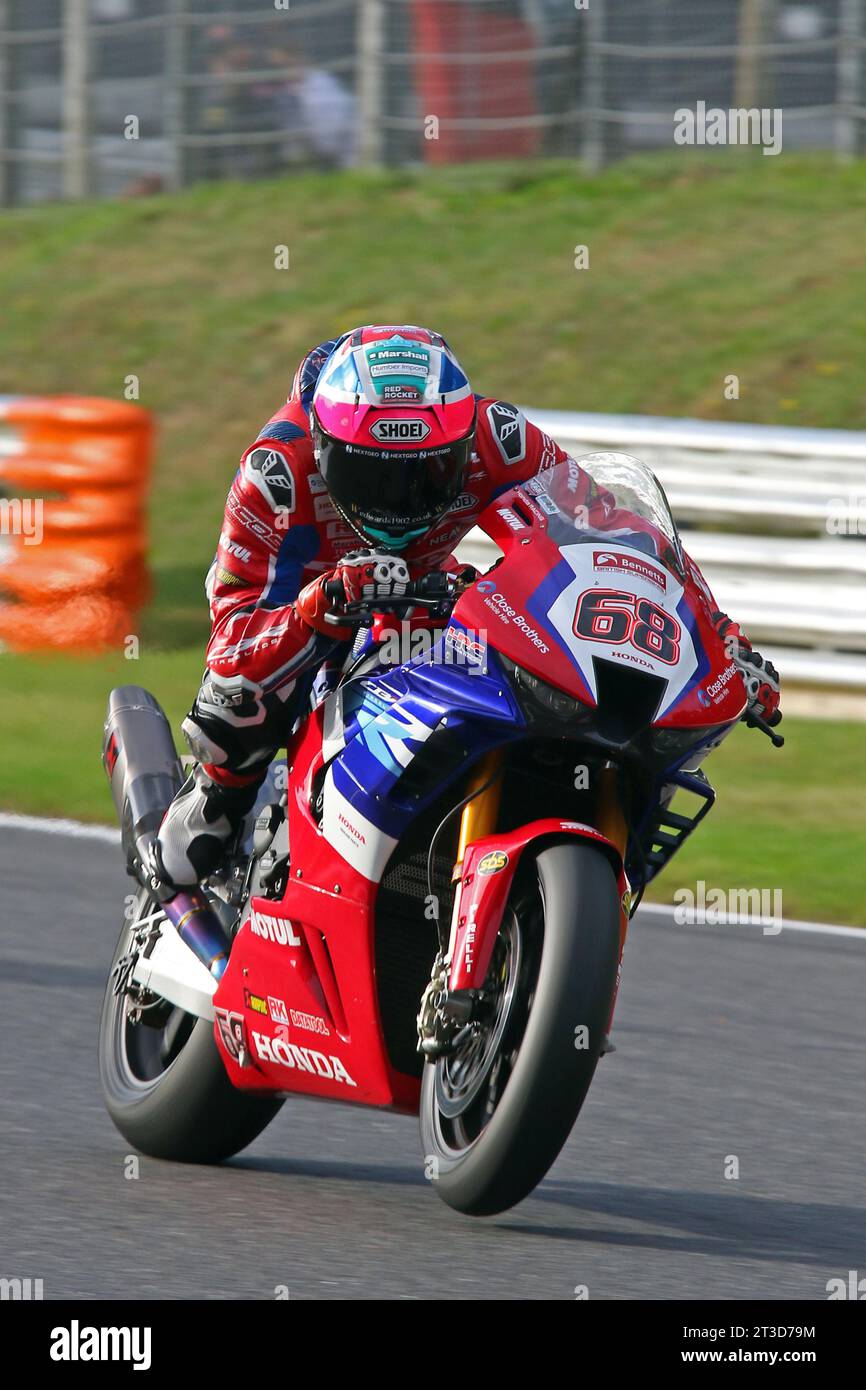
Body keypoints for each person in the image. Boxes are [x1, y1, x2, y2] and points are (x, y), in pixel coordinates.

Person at [153, 325, 781, 890]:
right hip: (312, 596)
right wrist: (320, 606)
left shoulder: (496, 438)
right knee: (235, 698)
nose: (400, 501)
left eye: (426, 473)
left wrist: (724, 637)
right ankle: (219, 798)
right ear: (324, 450)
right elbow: (233, 641)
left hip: (427, 587)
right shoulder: (276, 474)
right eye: (375, 477)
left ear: (461, 443)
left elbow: (618, 531)